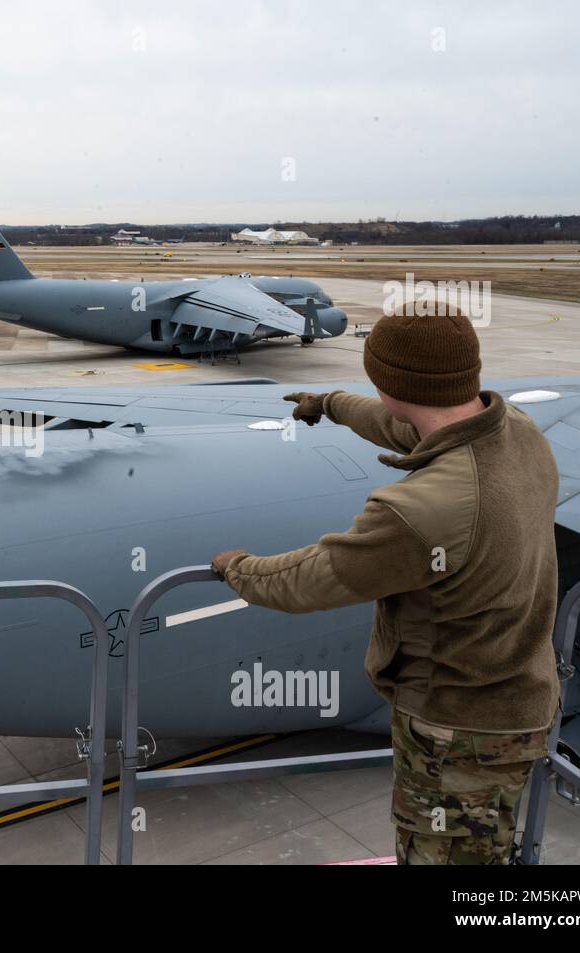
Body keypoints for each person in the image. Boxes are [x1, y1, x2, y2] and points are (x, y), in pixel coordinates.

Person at [211, 303, 560, 865]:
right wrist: (331, 404)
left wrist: (236, 568)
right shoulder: (518, 432)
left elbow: (312, 579)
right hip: (519, 702)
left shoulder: (422, 510)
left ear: (387, 380)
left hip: (456, 730)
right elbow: (407, 422)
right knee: (485, 850)